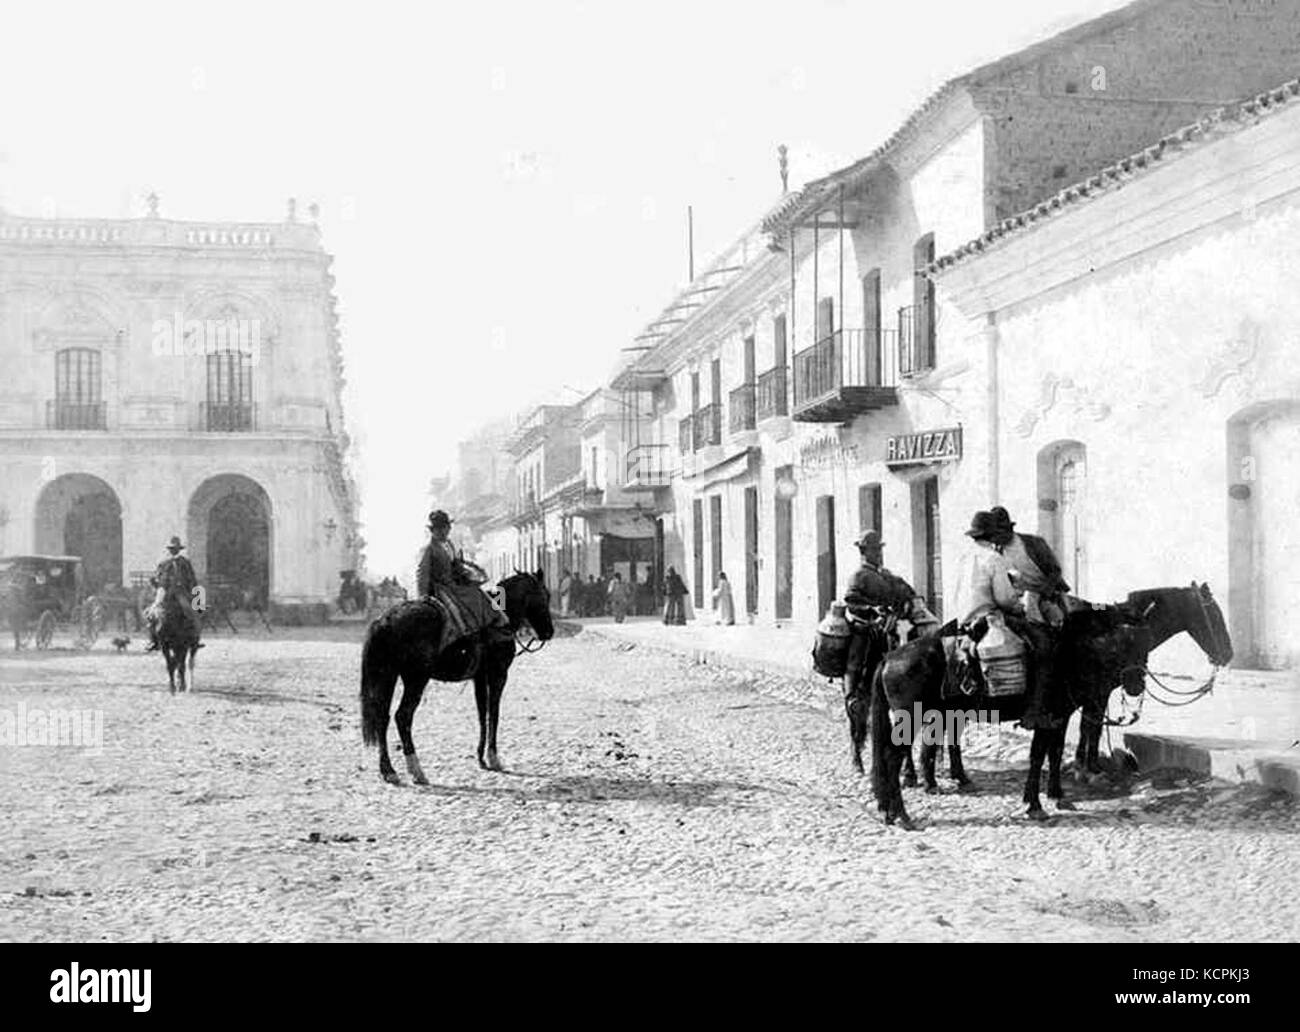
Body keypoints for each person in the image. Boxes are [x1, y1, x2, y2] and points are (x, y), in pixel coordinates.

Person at [952, 510, 1058, 729]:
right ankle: (1035, 711)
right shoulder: (994, 558)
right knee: (1044, 645)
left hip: (965, 620)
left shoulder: (962, 557)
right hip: (989, 617)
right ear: (991, 534)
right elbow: (1005, 598)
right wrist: (1019, 608)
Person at [842, 531, 937, 699]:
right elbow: (851, 601)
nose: (878, 554)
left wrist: (908, 600)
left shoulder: (886, 575)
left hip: (892, 626)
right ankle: (854, 696)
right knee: (860, 657)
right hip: (868, 626)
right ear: (863, 552)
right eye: (873, 550)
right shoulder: (858, 576)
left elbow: (906, 593)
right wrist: (873, 610)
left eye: (879, 550)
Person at [416, 510, 506, 652]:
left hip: (454, 584)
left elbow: (454, 564)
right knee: (470, 598)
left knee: (479, 592)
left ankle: (487, 625)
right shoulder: (429, 549)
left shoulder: (449, 545)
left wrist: (465, 571)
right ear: (434, 530)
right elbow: (422, 574)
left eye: (446, 528)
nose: (446, 531)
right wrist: (423, 597)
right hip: (441, 588)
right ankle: (468, 631)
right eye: (442, 528)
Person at [988, 506, 1071, 627]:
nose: (995, 539)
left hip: (1049, 596)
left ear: (1008, 530)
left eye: (998, 534)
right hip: (1021, 601)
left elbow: (1055, 571)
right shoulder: (997, 552)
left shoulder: (1034, 543)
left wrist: (1044, 595)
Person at [145, 536, 203, 651]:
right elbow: (157, 576)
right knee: (152, 612)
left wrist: (194, 593)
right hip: (165, 592)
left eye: (176, 548)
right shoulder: (163, 563)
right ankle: (153, 640)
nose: (173, 550)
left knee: (191, 612)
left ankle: (194, 639)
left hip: (180, 593)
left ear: (179, 549)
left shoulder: (185, 563)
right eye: (171, 548)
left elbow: (191, 579)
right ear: (169, 549)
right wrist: (155, 584)